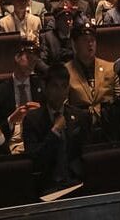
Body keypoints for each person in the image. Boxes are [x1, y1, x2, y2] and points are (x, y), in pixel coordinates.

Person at [21, 65, 88, 194]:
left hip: (76, 182)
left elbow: (86, 153)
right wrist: (55, 131)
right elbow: (34, 159)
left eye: (64, 86)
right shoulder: (32, 119)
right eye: (55, 86)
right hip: (47, 185)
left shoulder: (80, 116)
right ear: (45, 88)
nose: (60, 92)